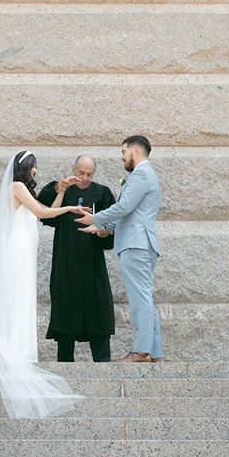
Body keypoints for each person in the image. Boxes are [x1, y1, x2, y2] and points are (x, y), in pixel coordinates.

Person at [0, 150, 86, 418]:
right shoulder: (16, 186)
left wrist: (62, 191)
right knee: (16, 299)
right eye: (35, 167)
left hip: (25, 253)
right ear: (27, 167)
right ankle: (15, 352)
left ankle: (23, 352)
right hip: (15, 253)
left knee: (24, 300)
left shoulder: (23, 189)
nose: (37, 171)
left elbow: (43, 215)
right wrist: (70, 207)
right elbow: (40, 210)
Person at [75, 135, 162, 363]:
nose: (122, 157)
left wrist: (95, 218)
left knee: (140, 300)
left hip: (136, 244)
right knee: (146, 299)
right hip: (138, 243)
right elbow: (131, 213)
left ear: (135, 151)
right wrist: (102, 228)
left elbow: (124, 207)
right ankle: (155, 353)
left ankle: (141, 351)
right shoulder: (141, 175)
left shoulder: (142, 173)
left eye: (123, 152)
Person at [36, 154, 117, 363]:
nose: (85, 177)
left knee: (98, 310)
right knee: (66, 311)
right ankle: (64, 366)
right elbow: (43, 210)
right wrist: (58, 188)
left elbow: (113, 227)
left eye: (89, 174)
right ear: (73, 170)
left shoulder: (103, 193)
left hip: (92, 263)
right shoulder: (63, 188)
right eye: (81, 172)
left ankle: (103, 364)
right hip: (66, 261)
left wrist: (103, 232)